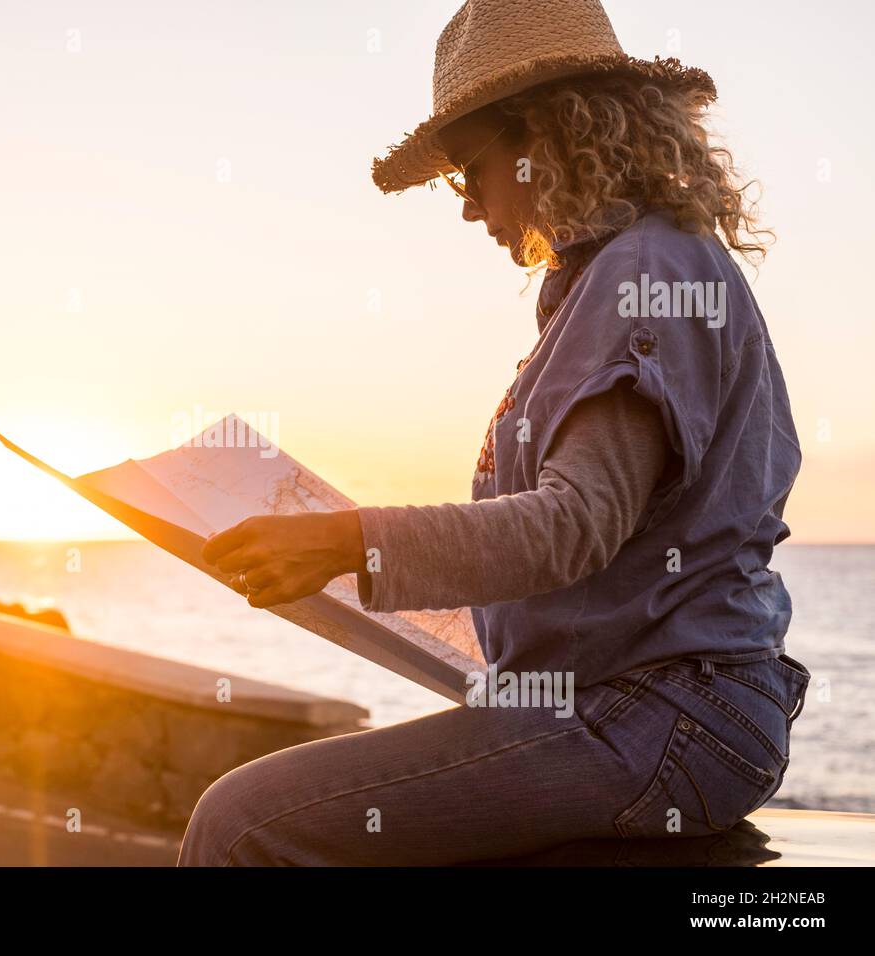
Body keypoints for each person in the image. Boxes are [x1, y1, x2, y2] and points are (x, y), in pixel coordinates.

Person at [177, 0, 811, 866]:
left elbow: (575, 523)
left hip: (665, 715)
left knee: (240, 821)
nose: (468, 205)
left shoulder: (647, 271)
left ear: (547, 132)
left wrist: (346, 542)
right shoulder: (626, 273)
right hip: (656, 704)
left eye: (469, 169)